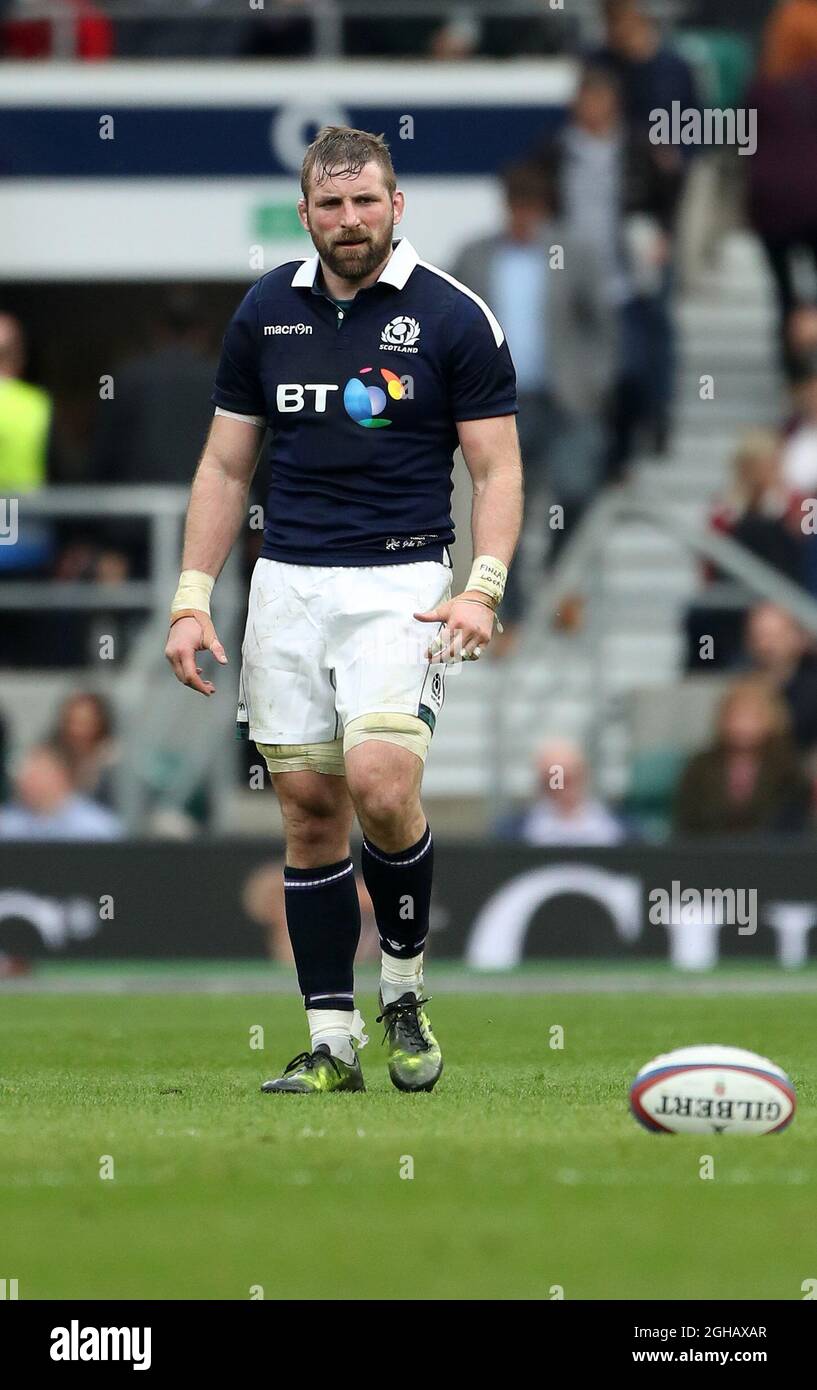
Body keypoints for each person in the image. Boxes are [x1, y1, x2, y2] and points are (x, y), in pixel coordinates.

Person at [165, 125, 522, 1096]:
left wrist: (481, 587)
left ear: (396, 206)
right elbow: (225, 464)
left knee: (378, 780)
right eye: (331, 204)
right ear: (306, 213)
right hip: (285, 581)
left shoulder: (454, 318)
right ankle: (332, 1042)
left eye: (367, 201)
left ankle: (401, 992)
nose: (350, 219)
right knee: (309, 809)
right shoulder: (264, 312)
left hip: (402, 584)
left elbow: (495, 467)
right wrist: (193, 600)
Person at [449, 160, 613, 646]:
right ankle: (511, 614)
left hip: (564, 402)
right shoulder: (475, 256)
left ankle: (563, 586)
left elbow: (602, 323)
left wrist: (594, 382)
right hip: (499, 405)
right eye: (515, 207)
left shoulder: (572, 253)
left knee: (577, 489)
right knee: (504, 503)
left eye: (530, 207)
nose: (522, 217)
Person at [673, 677, 811, 836]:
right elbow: (687, 822)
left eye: (751, 716)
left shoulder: (788, 770)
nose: (742, 724)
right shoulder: (700, 767)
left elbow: (792, 824)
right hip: (708, 854)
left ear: (771, 719)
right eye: (736, 714)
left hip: (769, 855)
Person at [494, 738, 626, 846]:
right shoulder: (513, 832)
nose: (561, 786)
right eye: (553, 778)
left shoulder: (618, 827)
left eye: (568, 777)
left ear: (583, 773)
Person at [0, 742, 124, 840]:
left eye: (38, 772)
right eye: (27, 772)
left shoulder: (97, 828)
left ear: (62, 775)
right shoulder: (7, 824)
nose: (26, 778)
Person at [745, 602, 817, 750]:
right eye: (758, 637)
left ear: (798, 638)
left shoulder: (813, 691)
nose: (765, 645)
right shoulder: (741, 690)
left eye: (775, 636)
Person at [51, 691, 120, 807]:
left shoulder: (112, 759)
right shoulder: (55, 756)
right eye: (72, 722)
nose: (76, 730)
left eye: (84, 723)